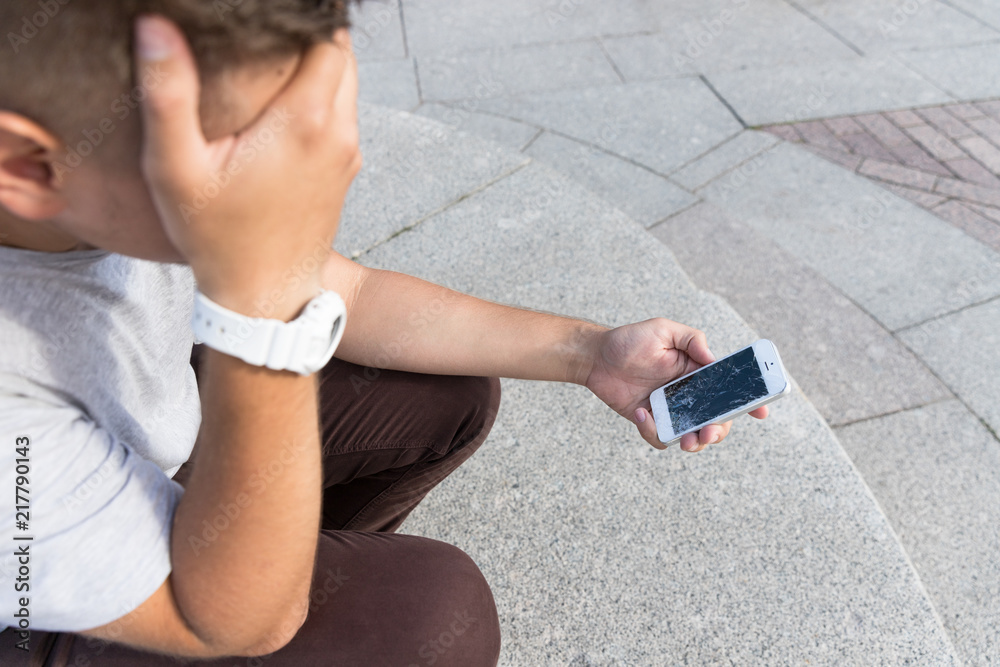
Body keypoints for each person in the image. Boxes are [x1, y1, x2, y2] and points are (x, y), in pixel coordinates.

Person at [0, 1, 768, 664]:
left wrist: (589, 353)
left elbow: (350, 290)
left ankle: (263, 551)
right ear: (27, 165)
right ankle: (254, 570)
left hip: (116, 458)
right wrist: (260, 305)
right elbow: (239, 624)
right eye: (245, 153)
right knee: (434, 612)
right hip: (33, 593)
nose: (299, 174)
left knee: (438, 393)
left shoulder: (97, 178)